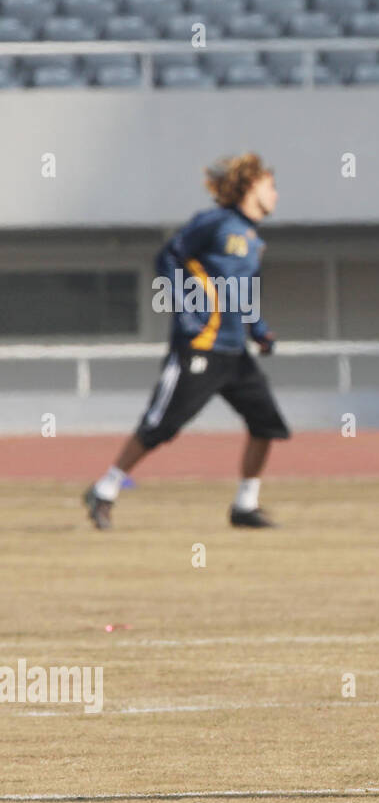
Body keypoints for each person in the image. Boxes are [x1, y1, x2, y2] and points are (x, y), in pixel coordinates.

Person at [83, 153, 286, 530]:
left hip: (234, 352)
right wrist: (190, 308)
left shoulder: (253, 240)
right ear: (249, 186)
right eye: (270, 186)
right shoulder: (214, 223)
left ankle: (245, 506)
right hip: (200, 347)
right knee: (160, 426)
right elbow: (169, 257)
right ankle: (104, 489)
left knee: (266, 424)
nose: (276, 194)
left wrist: (258, 329)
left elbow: (243, 294)